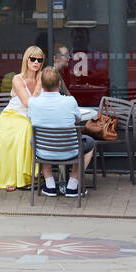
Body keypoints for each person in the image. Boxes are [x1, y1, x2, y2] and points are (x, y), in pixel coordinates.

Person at [29, 66, 95, 197]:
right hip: (69, 151)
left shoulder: (33, 102)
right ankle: (72, 185)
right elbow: (78, 119)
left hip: (44, 152)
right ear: (59, 84)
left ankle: (50, 186)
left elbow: (32, 119)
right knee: (90, 143)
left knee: (35, 140)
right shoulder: (70, 101)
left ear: (41, 84)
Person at [0, 46, 43, 191]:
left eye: (40, 60)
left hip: (34, 116)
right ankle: (17, 177)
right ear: (26, 60)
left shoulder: (43, 77)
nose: (36, 62)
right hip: (13, 115)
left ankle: (30, 174)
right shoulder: (17, 79)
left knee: (33, 127)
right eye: (33, 59)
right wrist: (40, 83)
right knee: (25, 129)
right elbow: (27, 103)